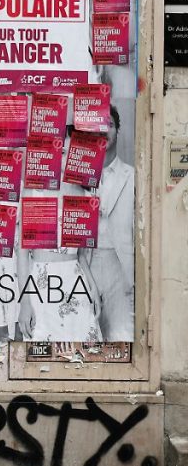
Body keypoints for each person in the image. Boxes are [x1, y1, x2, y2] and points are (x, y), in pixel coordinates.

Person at [87, 105, 134, 342]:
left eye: (110, 124)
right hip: (86, 263)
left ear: (118, 130)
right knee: (87, 338)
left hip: (119, 264)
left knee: (120, 336)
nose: (104, 130)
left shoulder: (132, 176)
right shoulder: (79, 176)